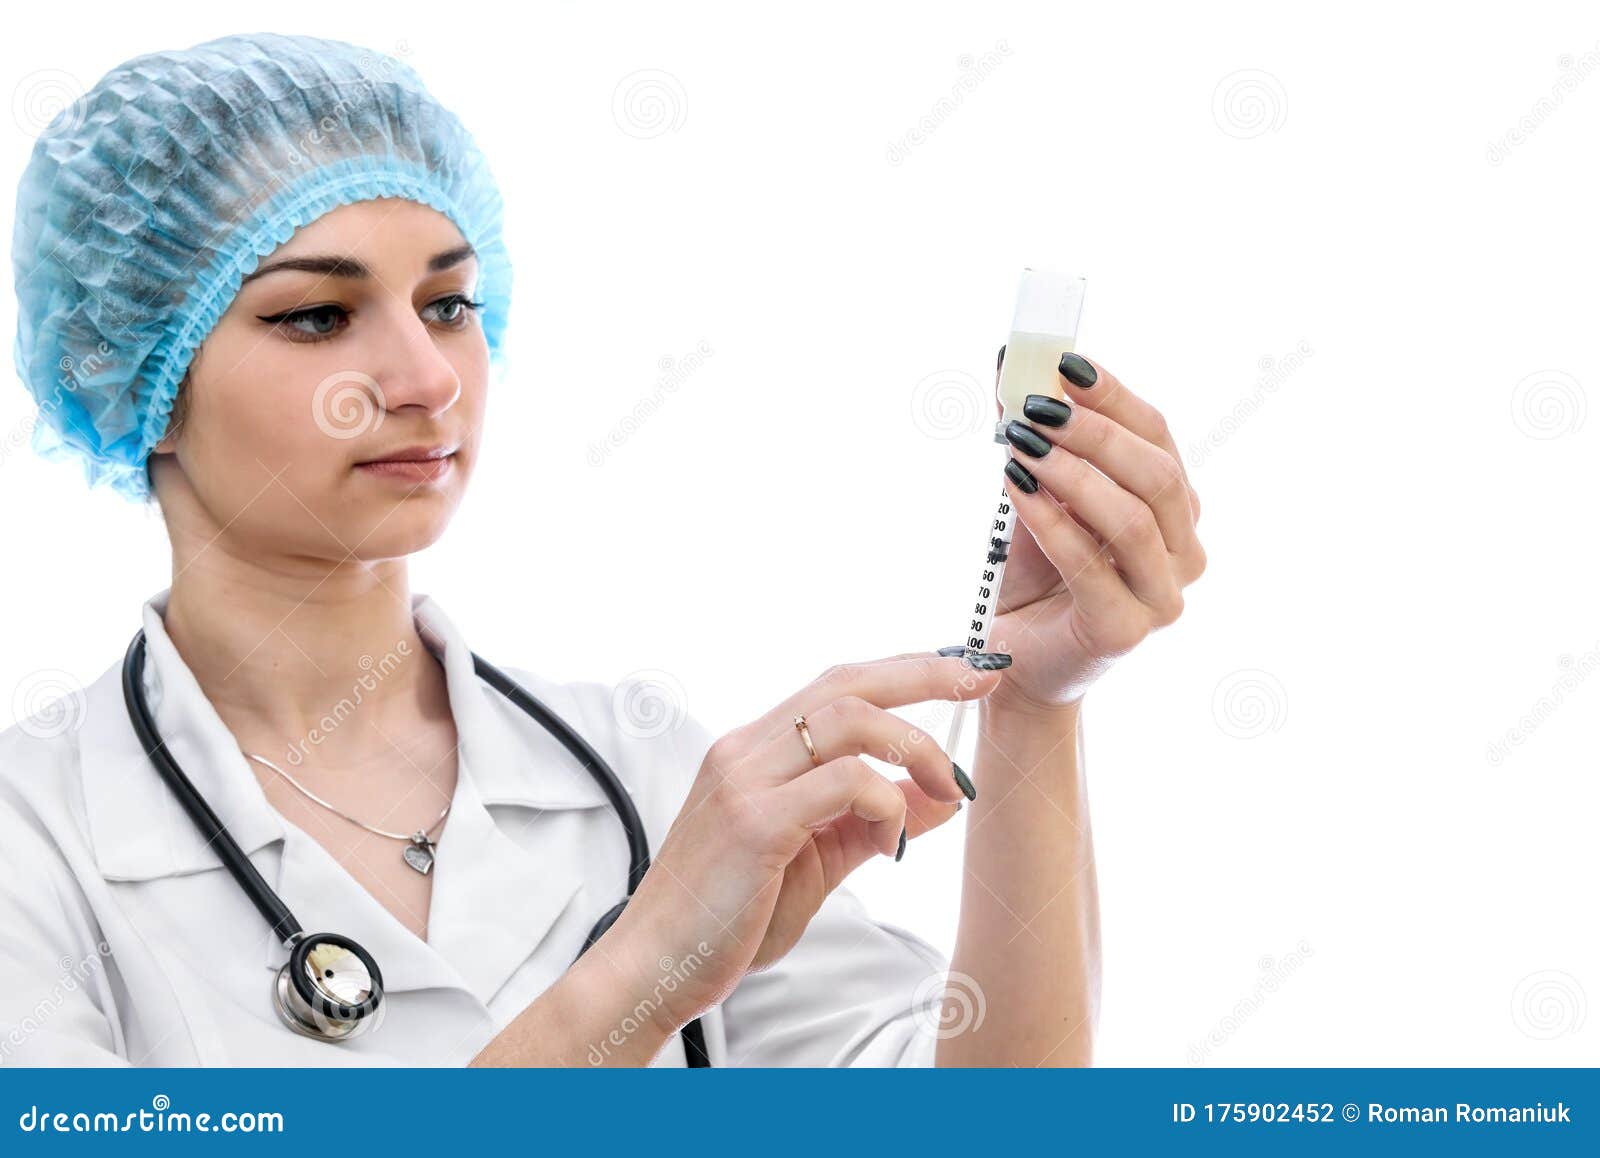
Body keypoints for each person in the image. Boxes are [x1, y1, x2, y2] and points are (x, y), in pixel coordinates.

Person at [0, 33, 1206, 1066]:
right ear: (127, 370)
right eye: (316, 314)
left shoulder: (641, 775)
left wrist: (1035, 698)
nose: (427, 379)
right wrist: (639, 973)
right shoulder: (33, 836)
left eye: (448, 304)